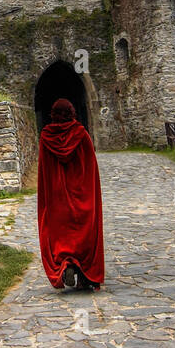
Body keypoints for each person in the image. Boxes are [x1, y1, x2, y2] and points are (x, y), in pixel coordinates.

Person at [36, 97, 104, 290]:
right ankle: (85, 274)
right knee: (84, 233)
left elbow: (44, 173)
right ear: (72, 112)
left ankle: (66, 263)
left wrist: (48, 198)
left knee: (61, 235)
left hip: (57, 199)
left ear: (53, 115)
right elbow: (91, 169)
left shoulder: (46, 136)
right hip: (82, 195)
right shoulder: (81, 135)